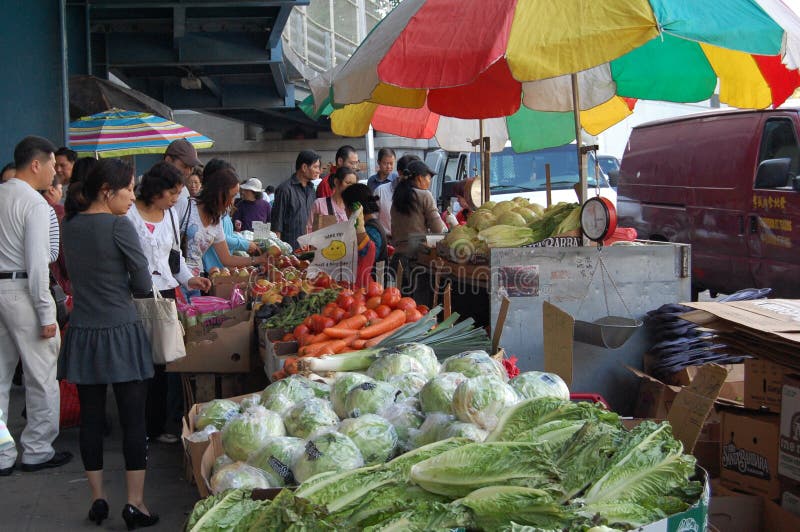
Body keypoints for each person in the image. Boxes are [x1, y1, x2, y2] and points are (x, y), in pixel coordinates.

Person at [59, 157, 158, 528]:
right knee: (134, 421)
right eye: (129, 188)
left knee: (92, 419)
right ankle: (135, 504)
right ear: (106, 191)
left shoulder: (70, 224)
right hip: (121, 331)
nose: (133, 196)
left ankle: (97, 498)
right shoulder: (119, 227)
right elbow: (143, 282)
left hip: (83, 332)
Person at [0, 136, 72, 477]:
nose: (55, 173)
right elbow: (39, 264)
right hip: (24, 292)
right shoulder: (36, 205)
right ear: (35, 164)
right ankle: (37, 450)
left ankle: (1, 455)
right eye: (52, 166)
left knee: (0, 379)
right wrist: (47, 314)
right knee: (41, 376)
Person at [127, 162, 211, 444]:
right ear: (156, 190)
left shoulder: (172, 217)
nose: (177, 198)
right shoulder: (128, 214)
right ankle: (135, 426)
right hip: (134, 295)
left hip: (164, 296)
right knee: (136, 363)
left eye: (178, 193)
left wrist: (190, 280)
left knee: (161, 362)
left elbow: (174, 259)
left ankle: (155, 426)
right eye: (173, 192)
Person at [183, 166, 268, 276]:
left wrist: (258, 259)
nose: (233, 202)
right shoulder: (187, 207)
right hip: (176, 283)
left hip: (196, 279)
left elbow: (227, 258)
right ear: (219, 193)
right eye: (231, 196)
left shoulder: (216, 220)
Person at [391, 160, 446, 291]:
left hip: (397, 258)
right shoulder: (424, 195)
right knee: (416, 305)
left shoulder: (397, 198)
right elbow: (439, 229)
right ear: (420, 178)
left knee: (400, 303)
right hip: (416, 260)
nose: (429, 182)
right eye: (429, 178)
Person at [271, 150, 320, 250]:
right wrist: (280, 252)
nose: (318, 171)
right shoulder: (284, 189)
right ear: (304, 167)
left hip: (308, 249)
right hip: (290, 250)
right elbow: (277, 224)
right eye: (315, 167)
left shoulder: (312, 190)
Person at [342, 183, 388, 279]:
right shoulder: (369, 226)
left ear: (354, 208)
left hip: (371, 286)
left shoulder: (372, 230)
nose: (344, 210)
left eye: (345, 206)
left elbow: (366, 258)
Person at [377, 154, 420, 238]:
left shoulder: (422, 193)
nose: (416, 178)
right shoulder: (381, 191)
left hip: (416, 243)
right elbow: (372, 220)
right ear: (400, 172)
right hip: (387, 242)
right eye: (412, 174)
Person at [308, 166, 358, 232]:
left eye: (354, 184)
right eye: (348, 183)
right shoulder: (320, 204)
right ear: (336, 182)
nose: (351, 187)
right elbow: (310, 232)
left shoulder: (356, 207)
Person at [167, 139, 203, 224]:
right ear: (168, 160)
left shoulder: (185, 191)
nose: (188, 172)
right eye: (185, 166)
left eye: (191, 167)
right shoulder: (150, 188)